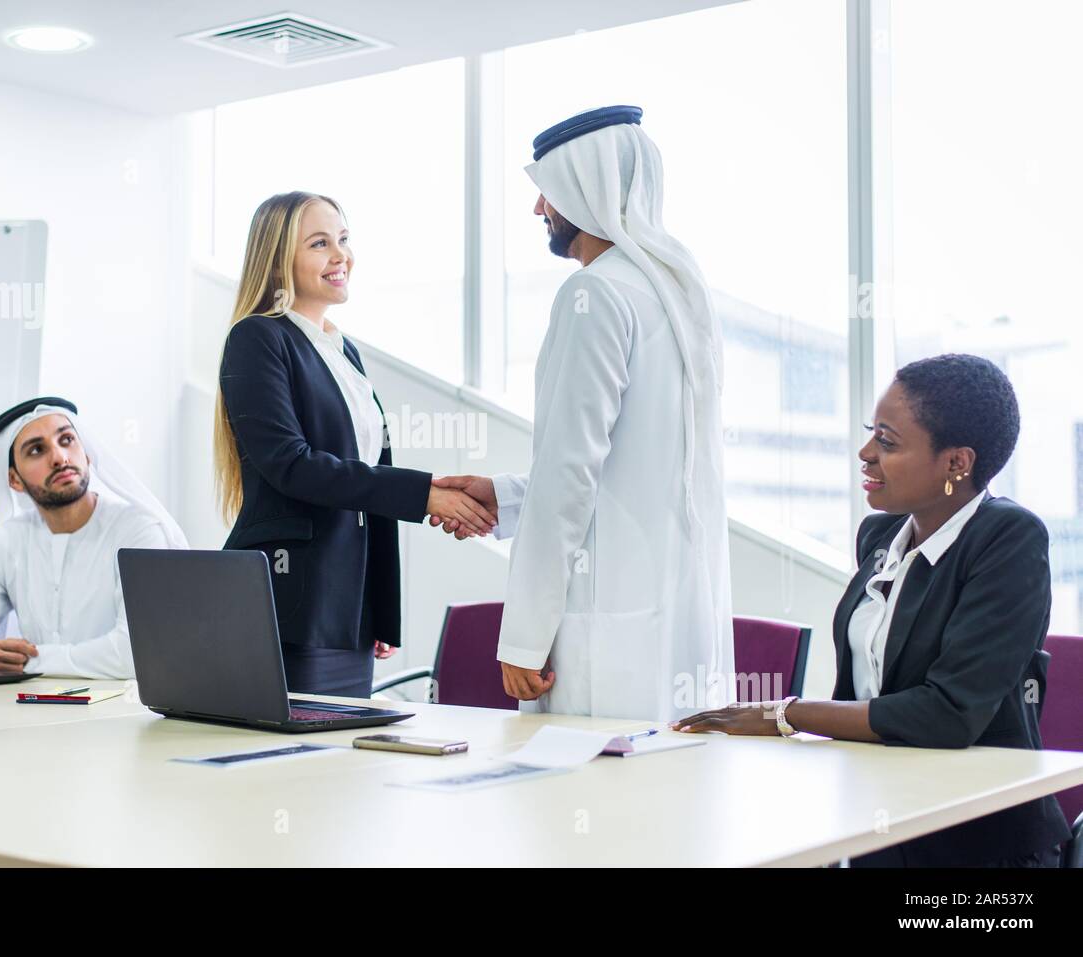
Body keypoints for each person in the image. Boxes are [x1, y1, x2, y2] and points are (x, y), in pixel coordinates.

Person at [673, 354, 1071, 868]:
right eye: (871, 434)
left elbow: (948, 714)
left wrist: (783, 715)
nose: (865, 454)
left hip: (973, 843)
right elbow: (868, 690)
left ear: (956, 463)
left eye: (887, 441)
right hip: (874, 821)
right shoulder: (880, 536)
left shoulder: (1007, 540)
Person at [433, 106, 733, 720]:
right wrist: (506, 495)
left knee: (583, 803)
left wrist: (523, 635)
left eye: (545, 193)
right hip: (669, 619)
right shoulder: (674, 291)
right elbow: (632, 465)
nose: (538, 210)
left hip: (606, 625)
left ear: (580, 188)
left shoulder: (592, 292)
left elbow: (572, 471)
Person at [216, 191, 496, 699]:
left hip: (348, 614)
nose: (341, 255)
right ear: (279, 259)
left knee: (339, 769)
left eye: (343, 239)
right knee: (289, 769)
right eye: (320, 243)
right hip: (290, 606)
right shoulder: (258, 338)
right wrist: (424, 493)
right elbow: (292, 466)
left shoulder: (343, 351)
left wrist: (378, 606)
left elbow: (367, 482)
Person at [0, 398, 187, 679]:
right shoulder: (7, 541)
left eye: (67, 440)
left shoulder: (140, 531)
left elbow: (136, 652)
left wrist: (28, 663)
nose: (60, 457)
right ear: (14, 480)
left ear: (86, 454)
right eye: (37, 450)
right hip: (33, 710)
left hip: (123, 713)